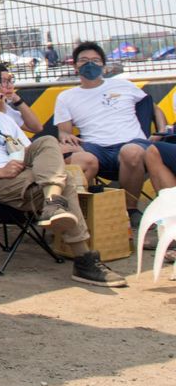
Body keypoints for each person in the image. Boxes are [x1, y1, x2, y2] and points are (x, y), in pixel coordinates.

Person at [0, 57, 126, 287]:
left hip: (20, 174)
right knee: (64, 181)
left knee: (46, 140)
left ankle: (53, 201)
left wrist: (38, 159)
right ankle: (83, 256)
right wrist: (0, 171)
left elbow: (29, 151)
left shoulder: (3, 119)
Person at [55, 41, 159, 239]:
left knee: (131, 151)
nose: (90, 65)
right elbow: (64, 133)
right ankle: (73, 214)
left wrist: (160, 130)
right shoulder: (66, 97)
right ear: (75, 66)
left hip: (133, 143)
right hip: (95, 147)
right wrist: (65, 136)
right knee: (76, 158)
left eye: (95, 60)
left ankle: (130, 210)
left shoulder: (124, 86)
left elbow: (153, 107)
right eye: (84, 61)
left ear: (103, 64)